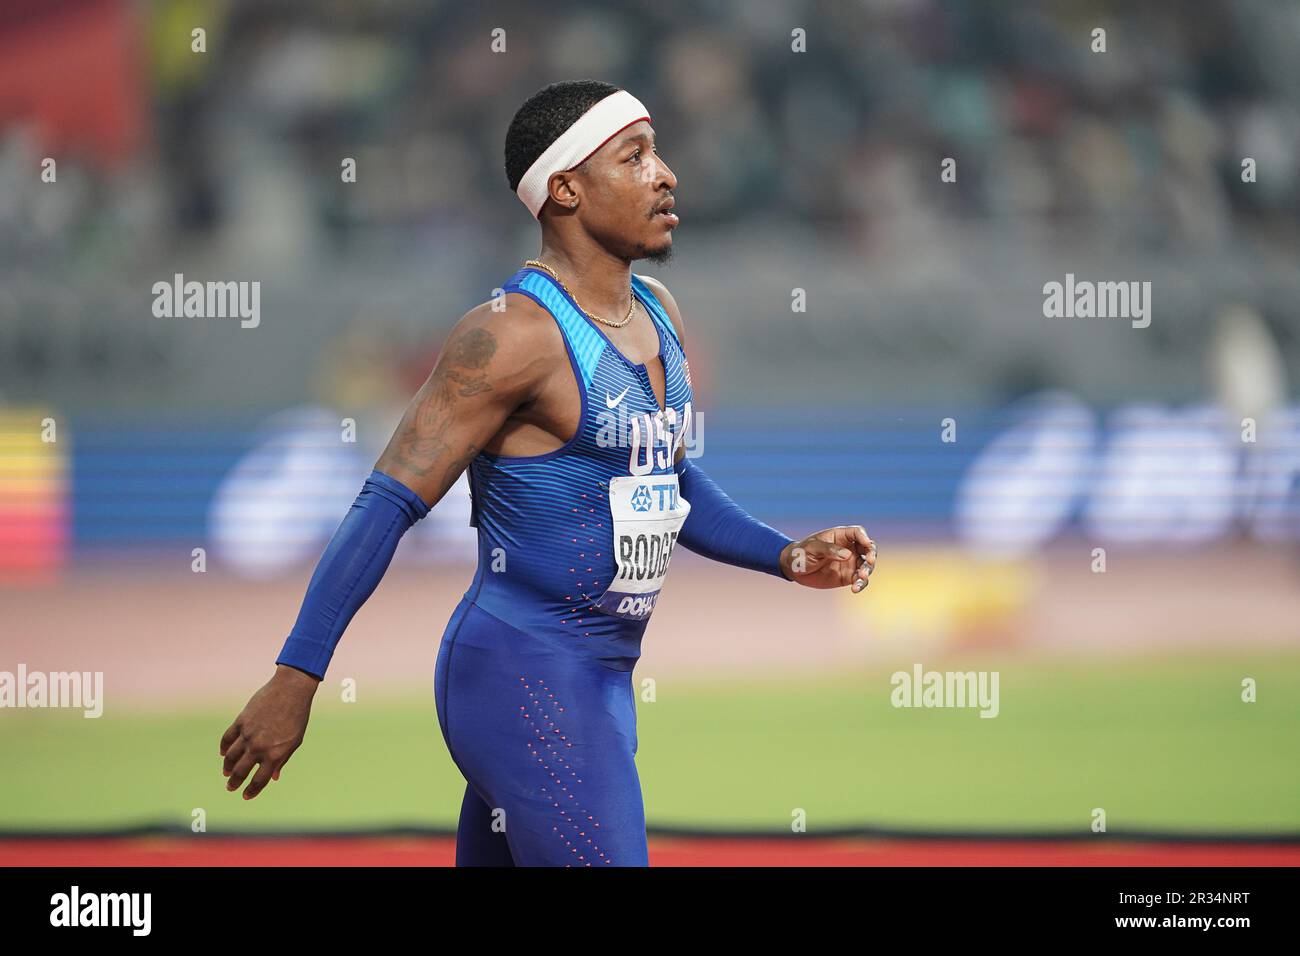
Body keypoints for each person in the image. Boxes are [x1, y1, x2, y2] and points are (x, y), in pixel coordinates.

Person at [219, 79, 877, 866]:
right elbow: (385, 502)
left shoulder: (658, 311)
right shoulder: (510, 338)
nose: (666, 175)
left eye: (659, 152)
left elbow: (668, 484)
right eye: (634, 157)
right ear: (564, 188)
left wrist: (785, 557)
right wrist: (297, 676)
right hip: (524, 674)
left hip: (599, 679)